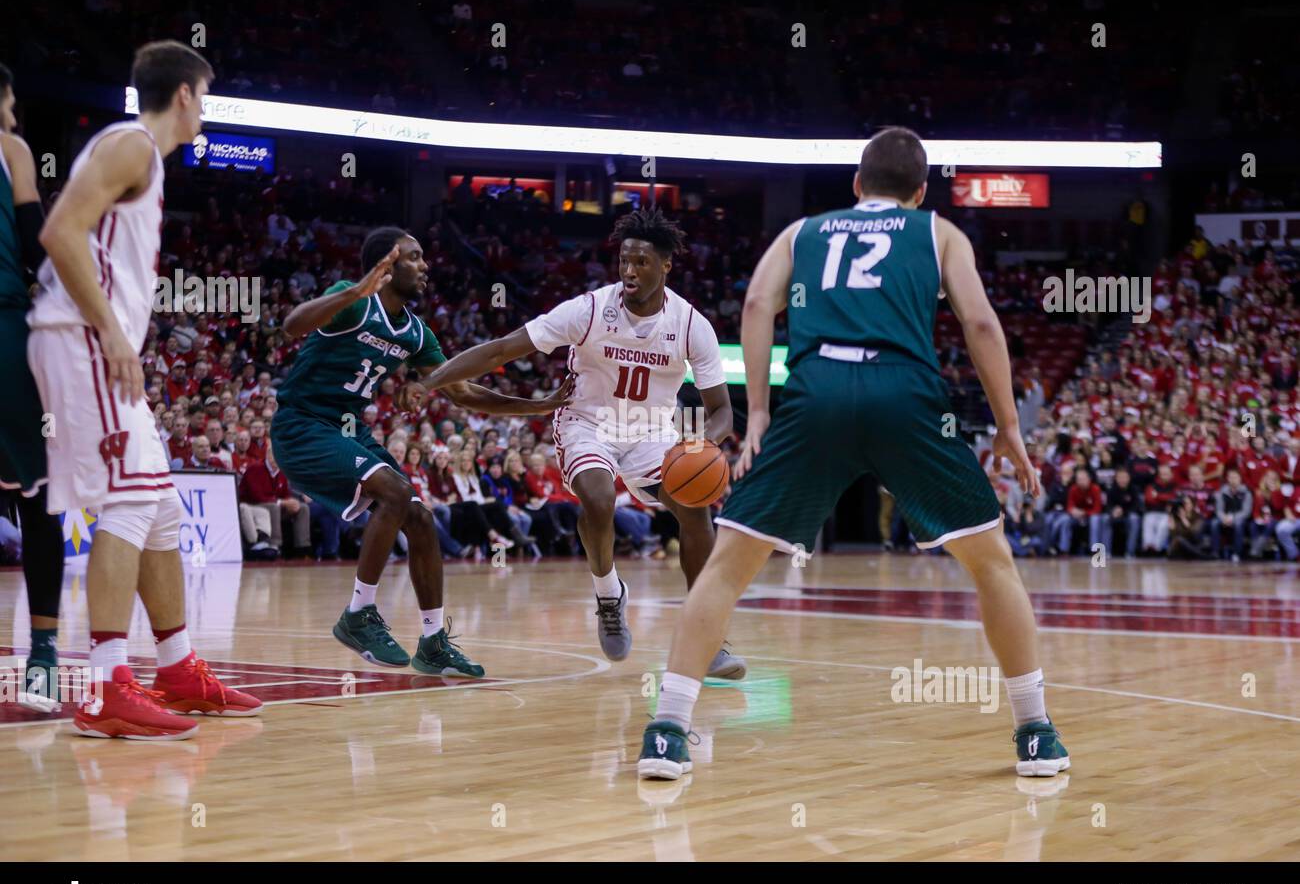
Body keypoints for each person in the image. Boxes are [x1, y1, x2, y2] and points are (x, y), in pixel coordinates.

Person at [632, 127, 1068, 779]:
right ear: (920, 193)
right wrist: (1008, 425)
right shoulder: (938, 233)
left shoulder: (803, 231)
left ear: (856, 185)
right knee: (991, 562)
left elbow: (755, 303)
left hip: (818, 394)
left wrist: (759, 413)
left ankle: (667, 730)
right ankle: (1034, 732)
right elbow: (980, 323)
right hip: (907, 394)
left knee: (728, 565)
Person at [27, 41, 260, 737]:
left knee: (160, 508)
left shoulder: (141, 157)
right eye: (205, 97)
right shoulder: (131, 144)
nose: (205, 111)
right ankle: (103, 686)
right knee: (129, 503)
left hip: (95, 343)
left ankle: (178, 668)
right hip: (80, 340)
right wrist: (113, 334)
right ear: (184, 94)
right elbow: (58, 232)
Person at [422, 207, 746, 679]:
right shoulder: (589, 309)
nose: (630, 270)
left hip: (652, 432)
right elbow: (500, 349)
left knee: (694, 508)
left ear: (666, 265)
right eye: (624, 261)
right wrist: (431, 380)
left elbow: (722, 411)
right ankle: (609, 595)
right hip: (585, 421)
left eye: (642, 262)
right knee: (597, 498)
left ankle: (705, 636)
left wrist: (705, 447)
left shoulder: (693, 325)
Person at [271, 226, 569, 675]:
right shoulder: (351, 300)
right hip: (301, 426)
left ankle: (433, 642)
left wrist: (538, 406)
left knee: (421, 517)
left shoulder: (415, 333)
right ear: (386, 267)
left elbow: (464, 394)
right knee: (392, 490)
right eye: (414, 257)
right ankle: (358, 614)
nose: (425, 265)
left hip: (347, 431)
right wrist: (353, 289)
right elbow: (293, 325)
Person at [0, 63, 65, 710]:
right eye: (11, 97)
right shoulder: (11, 148)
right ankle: (42, 659)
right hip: (8, 332)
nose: (15, 112)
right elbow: (33, 245)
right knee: (42, 501)